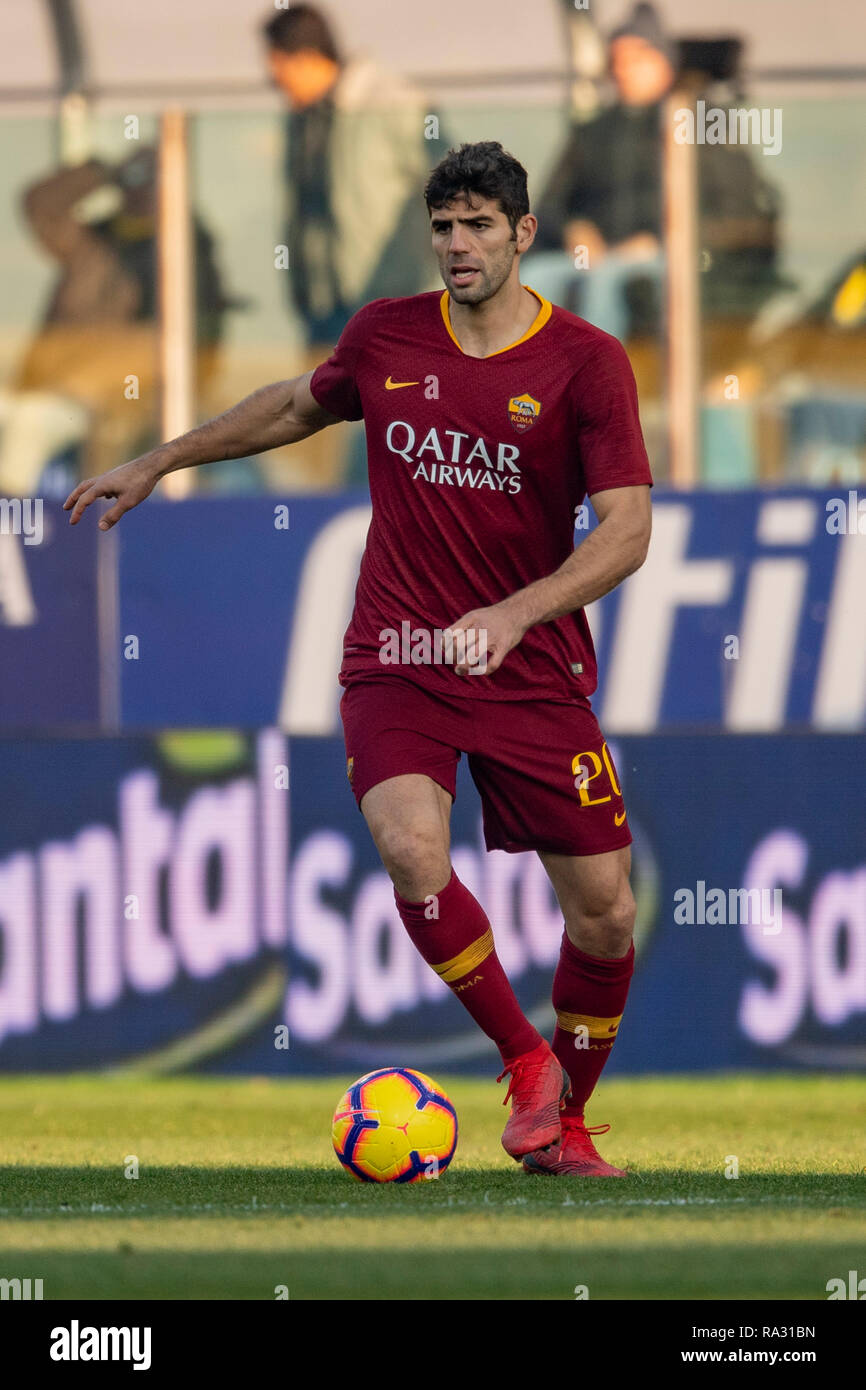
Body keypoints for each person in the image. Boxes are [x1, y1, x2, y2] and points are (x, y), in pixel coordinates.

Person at [64, 140, 653, 1178]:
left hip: (527, 664)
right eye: (442, 227)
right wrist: (163, 457)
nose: (457, 245)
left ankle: (559, 1121)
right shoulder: (385, 334)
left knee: (604, 911)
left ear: (522, 234)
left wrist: (517, 611)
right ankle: (524, 1064)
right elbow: (296, 404)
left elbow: (626, 528)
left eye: (478, 226)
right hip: (400, 652)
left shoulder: (584, 362)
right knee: (412, 849)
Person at [527, 2, 783, 339]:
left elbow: (735, 208)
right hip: (590, 258)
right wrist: (574, 231)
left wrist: (661, 241)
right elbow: (548, 206)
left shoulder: (702, 124)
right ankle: (512, 385)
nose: (624, 69)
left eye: (637, 58)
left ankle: (603, 387)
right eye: (617, 60)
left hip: (675, 258)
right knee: (532, 279)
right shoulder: (593, 131)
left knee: (607, 282)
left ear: (664, 63)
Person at [3, 148, 233, 496]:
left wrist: (82, 383)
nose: (141, 188)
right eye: (137, 179)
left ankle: (14, 537)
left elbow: (169, 346)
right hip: (48, 388)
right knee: (20, 414)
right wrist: (105, 172)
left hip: (122, 400)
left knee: (28, 427)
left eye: (152, 178)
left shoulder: (186, 250)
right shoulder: (94, 239)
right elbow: (40, 205)